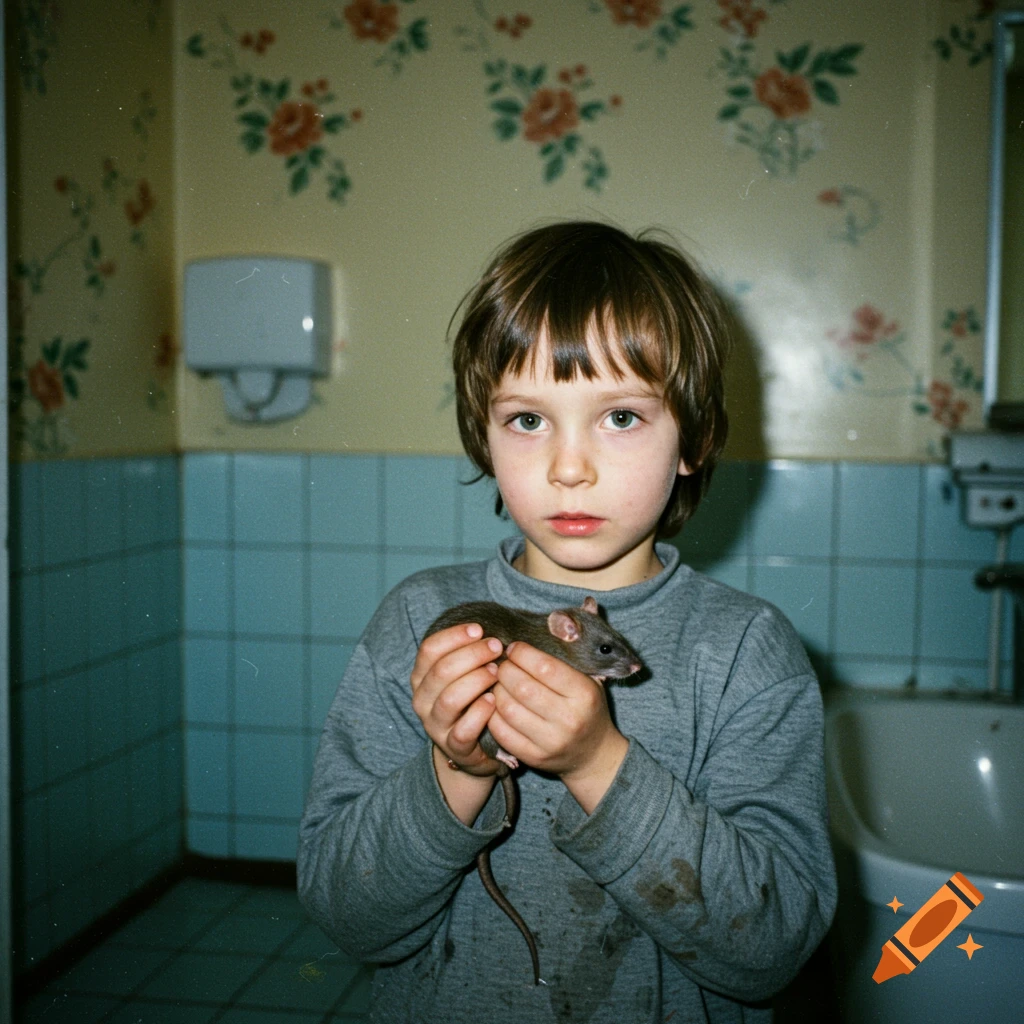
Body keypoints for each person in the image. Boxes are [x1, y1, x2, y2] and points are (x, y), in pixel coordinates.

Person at [298, 220, 837, 1023]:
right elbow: (346, 917)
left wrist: (598, 763)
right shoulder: (417, 623)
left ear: (693, 438)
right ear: (482, 434)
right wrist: (457, 771)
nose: (569, 467)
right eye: (527, 420)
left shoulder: (746, 654)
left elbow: (772, 948)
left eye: (620, 417)